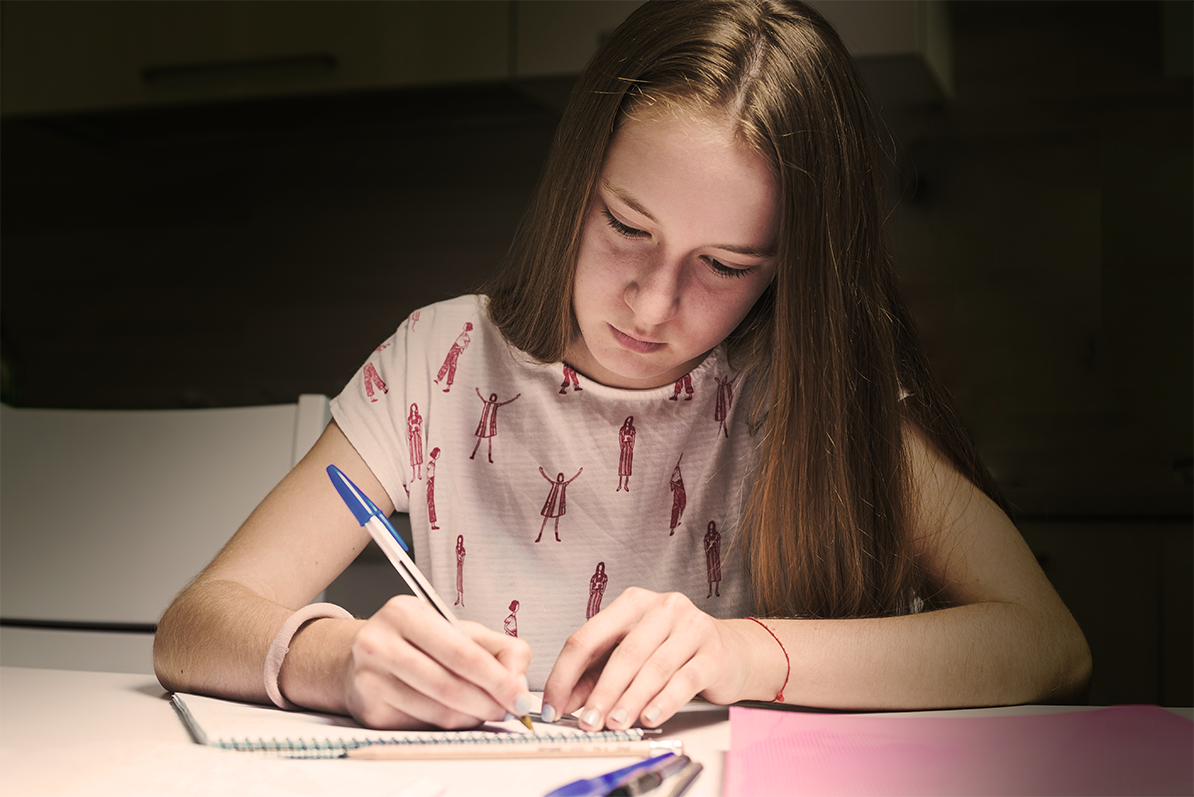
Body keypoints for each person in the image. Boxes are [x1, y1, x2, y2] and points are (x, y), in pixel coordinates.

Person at [154, 0, 1091, 734]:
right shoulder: (437, 364)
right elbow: (196, 623)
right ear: (577, 183)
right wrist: (340, 659)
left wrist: (740, 653)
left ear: (789, 268)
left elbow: (1046, 641)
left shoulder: (813, 390)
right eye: (626, 228)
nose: (649, 305)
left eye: (723, 267)